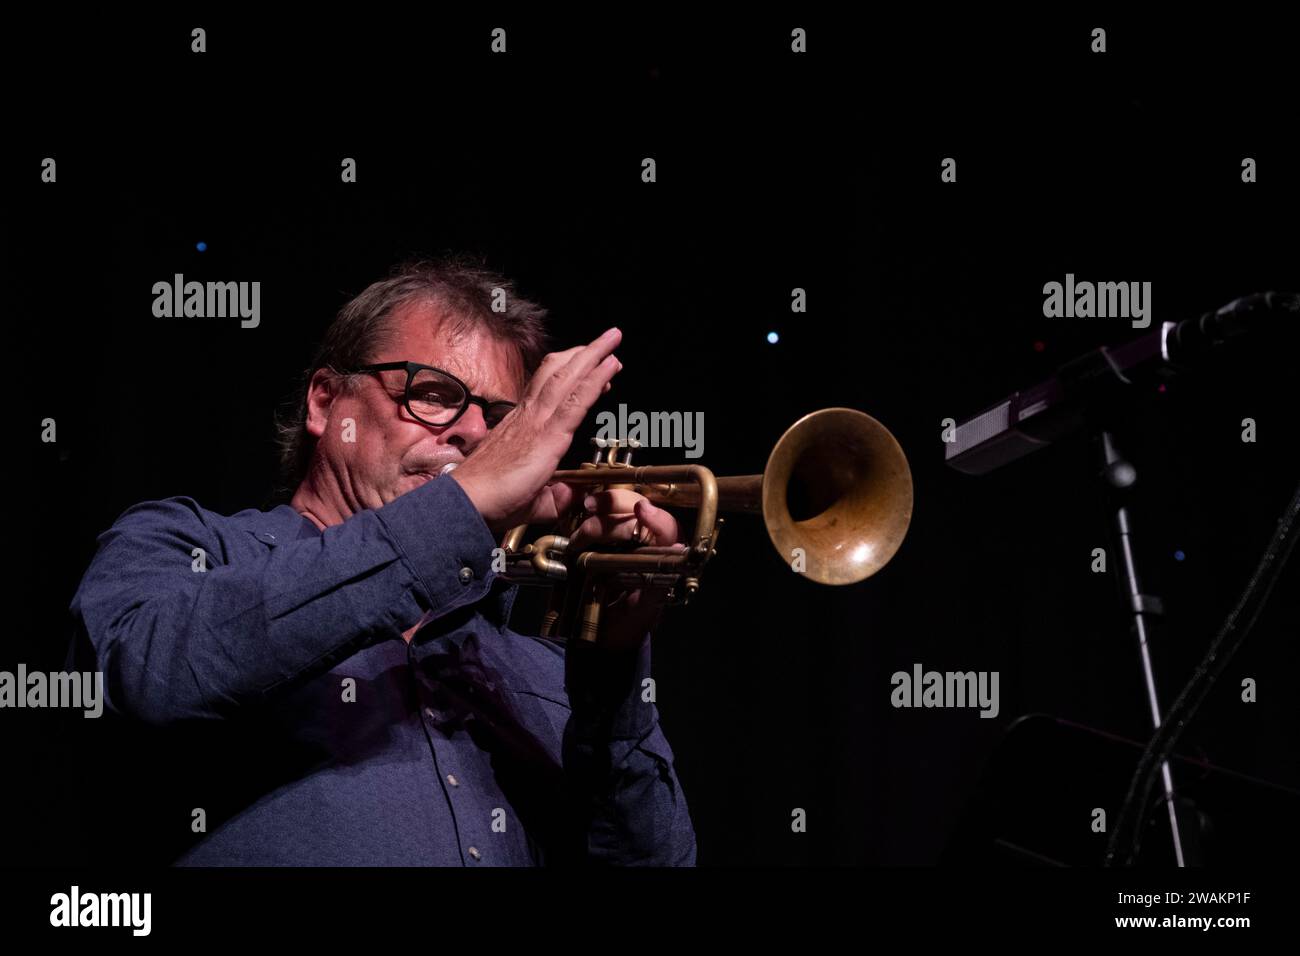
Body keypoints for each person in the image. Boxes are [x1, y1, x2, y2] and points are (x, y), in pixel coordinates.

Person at [67, 256, 697, 865]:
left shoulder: (531, 661)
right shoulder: (192, 545)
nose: (475, 435)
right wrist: (462, 505)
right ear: (324, 403)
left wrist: (612, 667)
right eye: (434, 394)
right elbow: (139, 675)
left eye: (502, 422)